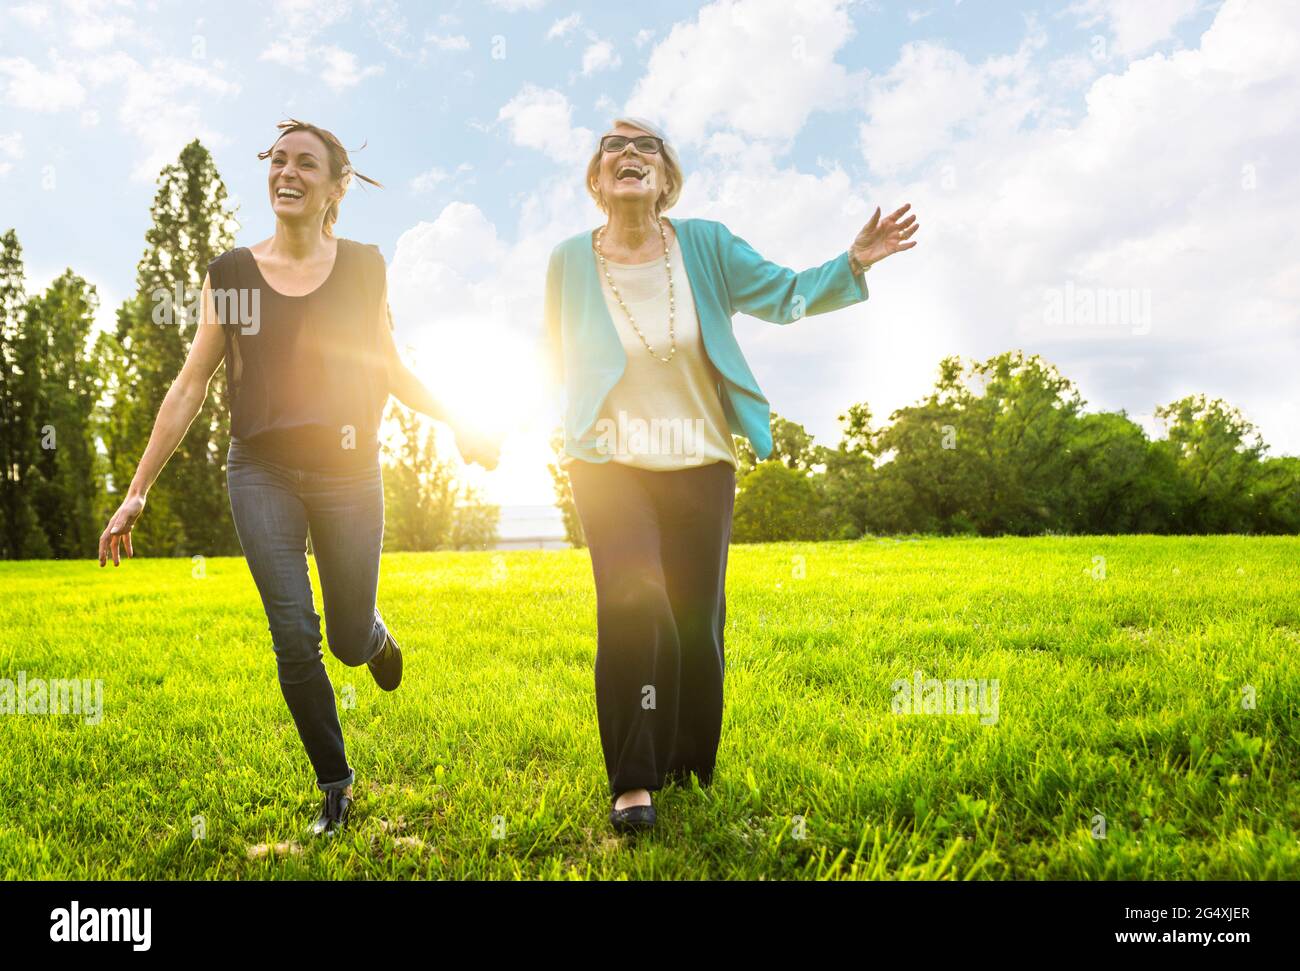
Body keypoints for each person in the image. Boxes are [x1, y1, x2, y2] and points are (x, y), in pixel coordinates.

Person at [97, 119, 500, 836]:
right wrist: (137, 490)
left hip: (349, 472)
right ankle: (336, 784)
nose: (287, 172)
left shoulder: (365, 267)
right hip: (260, 469)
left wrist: (460, 419)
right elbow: (191, 384)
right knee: (293, 631)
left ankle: (373, 638)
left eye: (305, 164)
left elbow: (390, 366)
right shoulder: (231, 275)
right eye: (277, 160)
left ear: (336, 186)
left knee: (344, 637)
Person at [542, 117, 919, 834]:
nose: (629, 155)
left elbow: (784, 295)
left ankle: (687, 765)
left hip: (702, 459)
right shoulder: (568, 259)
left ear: (666, 176)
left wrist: (854, 263)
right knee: (634, 607)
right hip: (607, 461)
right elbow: (551, 348)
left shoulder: (706, 245)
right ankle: (633, 780)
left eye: (645, 145)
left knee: (694, 621)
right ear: (595, 180)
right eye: (613, 147)